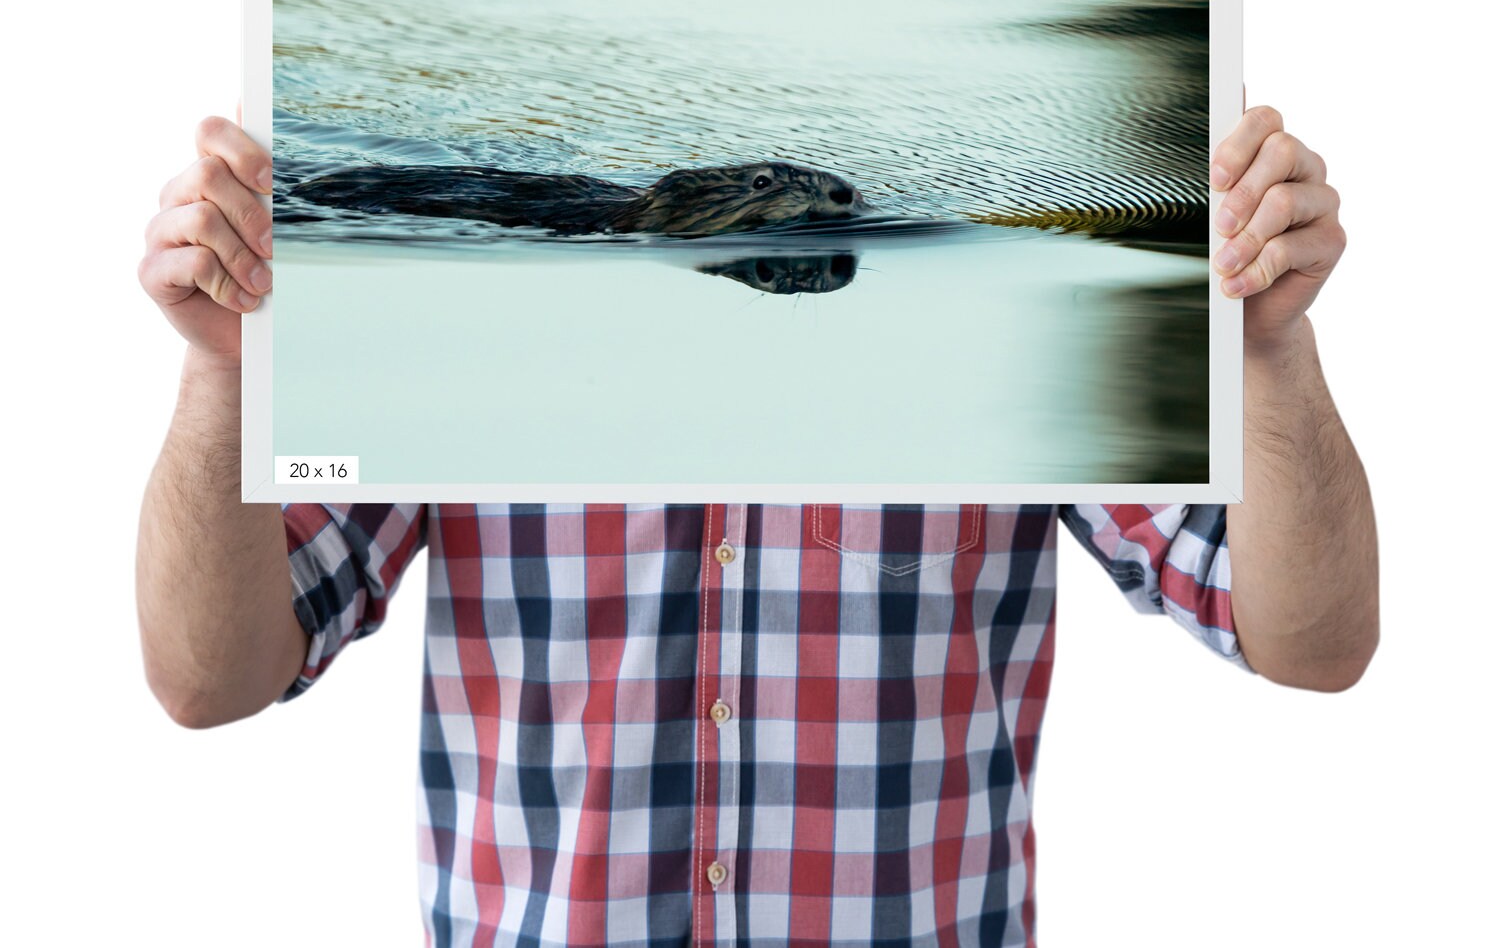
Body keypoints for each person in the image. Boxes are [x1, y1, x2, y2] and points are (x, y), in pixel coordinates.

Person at [135, 102, 1378, 948]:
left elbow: (1309, 643)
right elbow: (210, 677)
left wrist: (1268, 352)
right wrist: (228, 377)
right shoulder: (455, 320)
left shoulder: (994, 318)